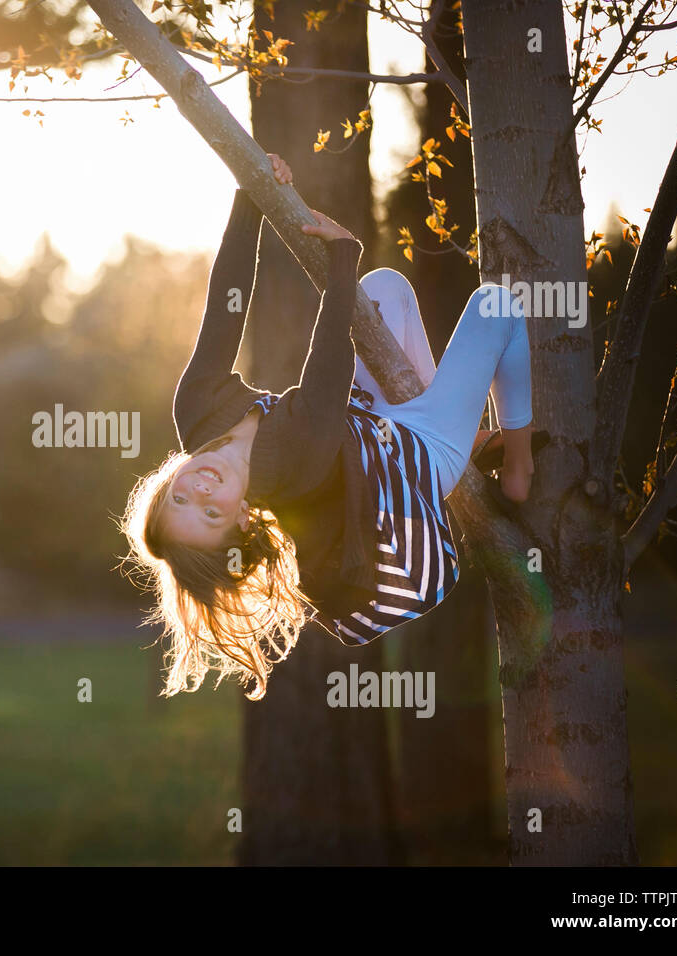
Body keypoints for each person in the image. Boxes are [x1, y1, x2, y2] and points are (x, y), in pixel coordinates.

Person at [117, 153, 538, 701]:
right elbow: (328, 364)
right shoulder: (288, 470)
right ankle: (518, 464)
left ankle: (454, 415)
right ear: (242, 518)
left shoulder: (195, 411)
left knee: (385, 288)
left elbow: (226, 306)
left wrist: (251, 199)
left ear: (164, 486)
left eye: (179, 501)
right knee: (497, 305)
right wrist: (342, 257)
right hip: (419, 459)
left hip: (367, 429)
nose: (200, 491)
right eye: (212, 514)